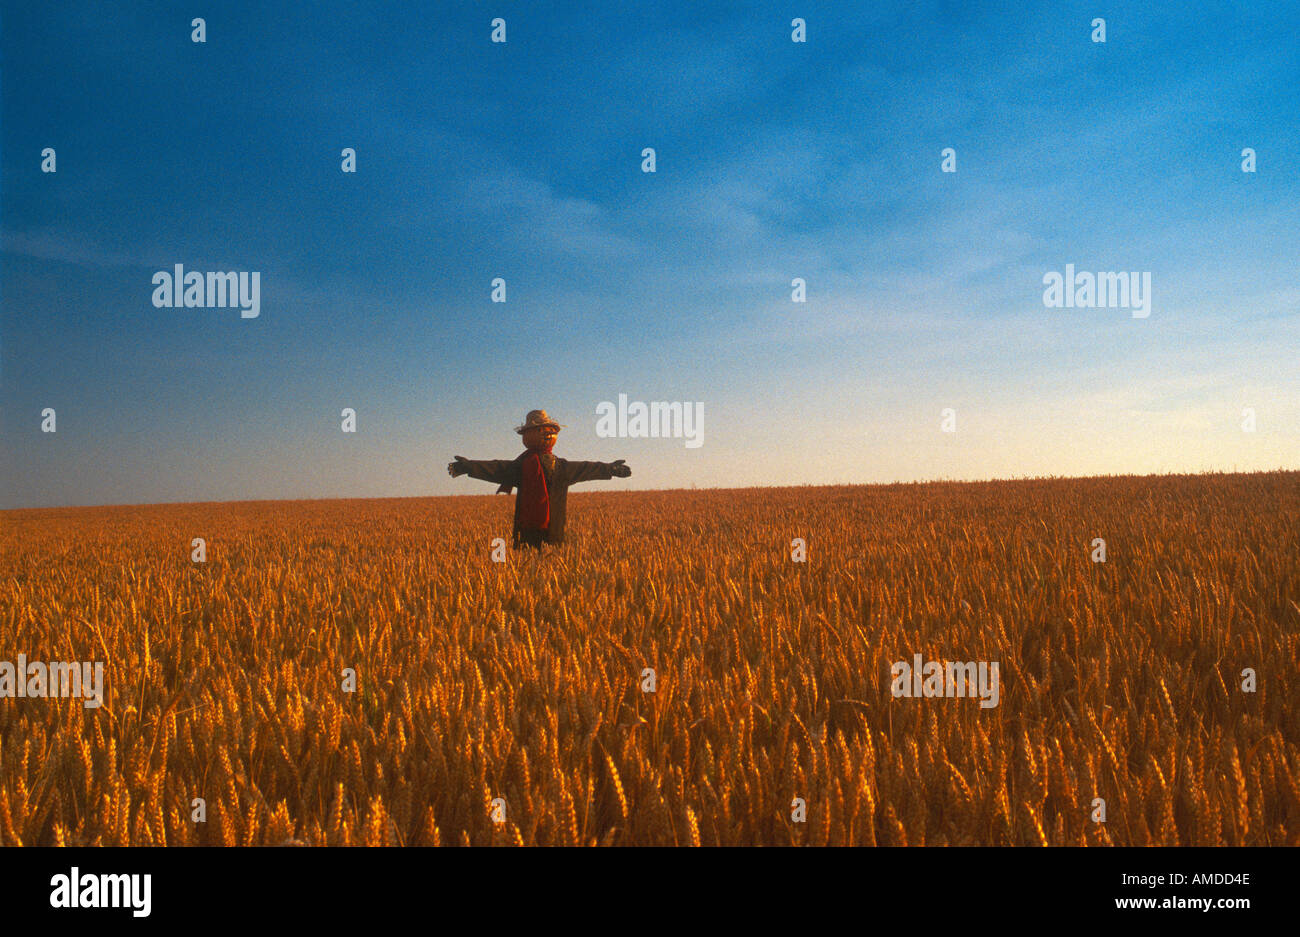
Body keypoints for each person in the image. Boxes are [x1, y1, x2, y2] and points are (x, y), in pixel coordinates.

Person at [447, 410, 631, 547]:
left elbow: (586, 468)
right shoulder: (521, 466)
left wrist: (609, 469)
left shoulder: (562, 467)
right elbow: (496, 468)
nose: (548, 433)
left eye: (550, 430)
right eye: (541, 430)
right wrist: (468, 466)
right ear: (528, 435)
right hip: (528, 532)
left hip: (555, 532)